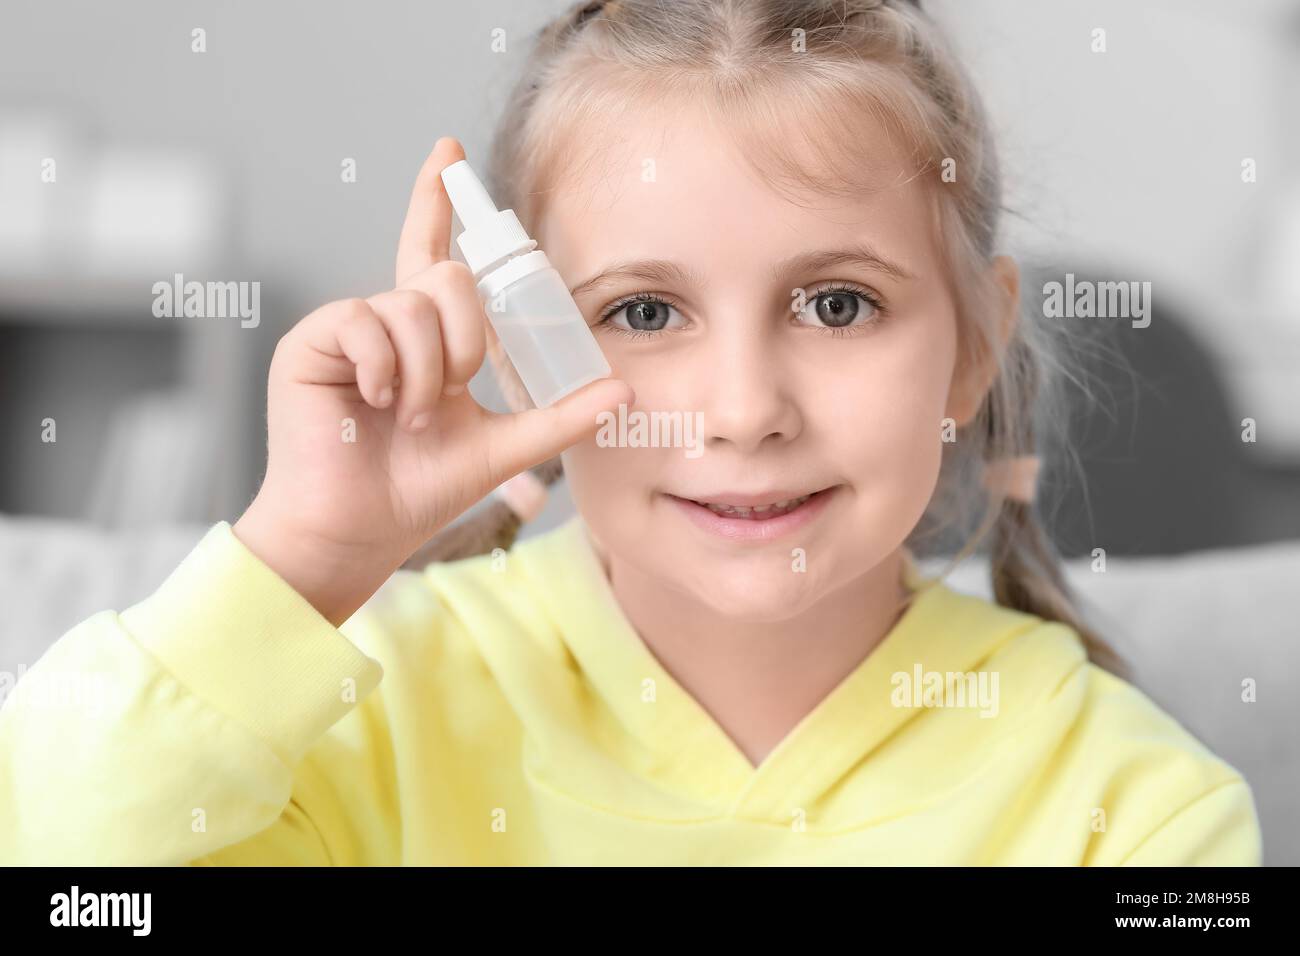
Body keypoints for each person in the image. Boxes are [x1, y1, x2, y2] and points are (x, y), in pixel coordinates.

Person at [0, 0, 1261, 865]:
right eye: (644, 309)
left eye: (837, 303)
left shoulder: (1132, 809)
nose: (742, 410)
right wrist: (301, 555)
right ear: (515, 336)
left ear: (973, 346)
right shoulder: (359, 717)